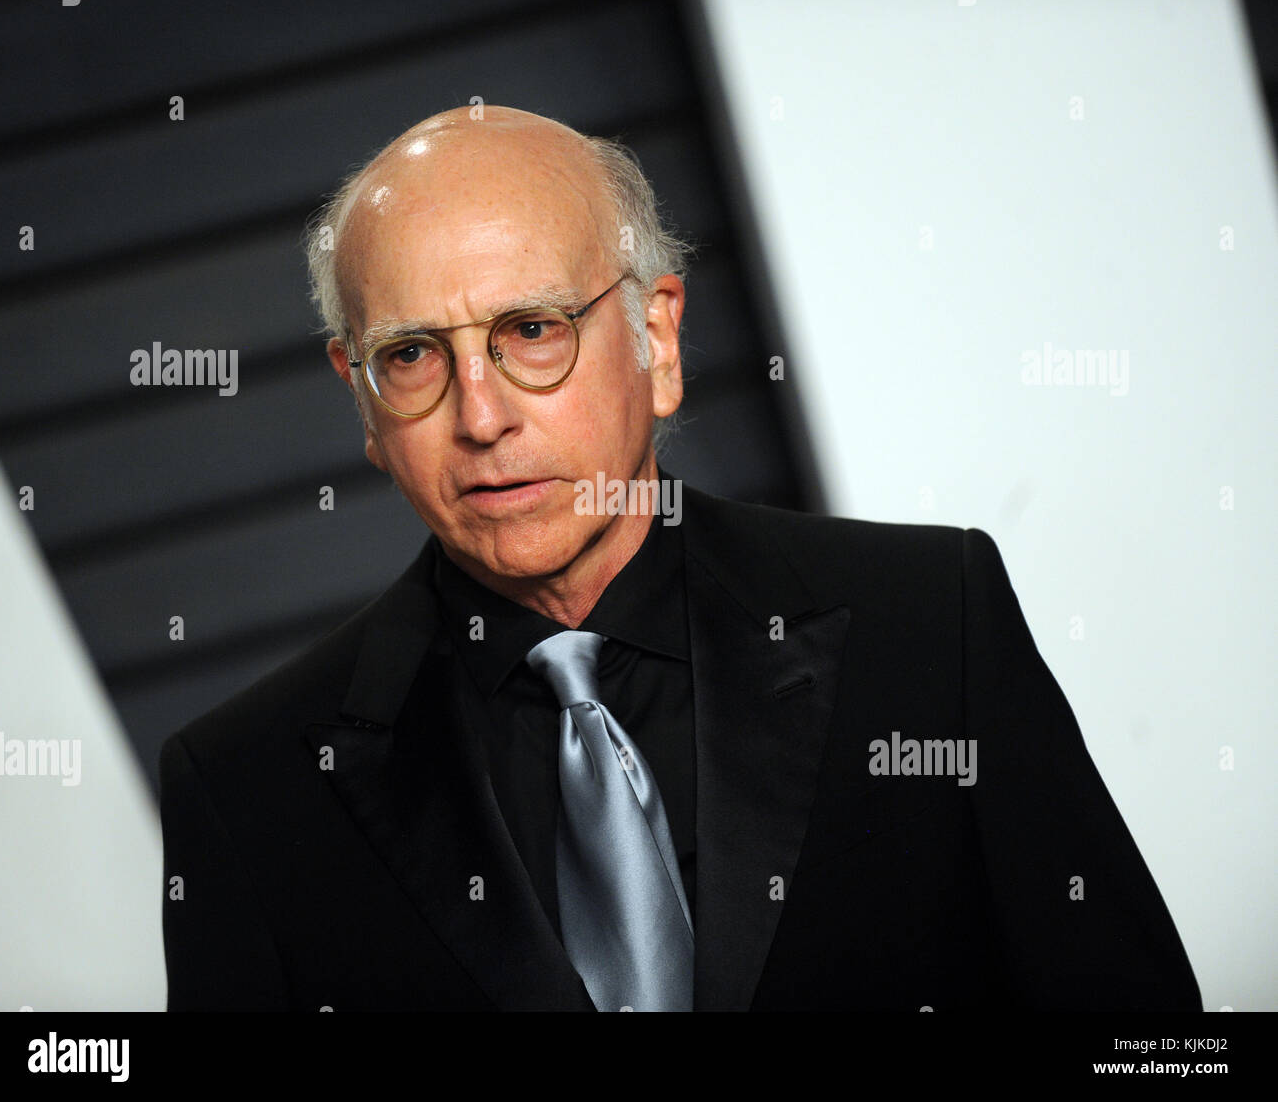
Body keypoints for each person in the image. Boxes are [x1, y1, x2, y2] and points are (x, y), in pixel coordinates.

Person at [159, 105, 1201, 1011]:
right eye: (413, 355)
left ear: (655, 340)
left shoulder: (930, 624)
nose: (479, 415)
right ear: (362, 397)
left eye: (530, 330)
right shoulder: (247, 788)